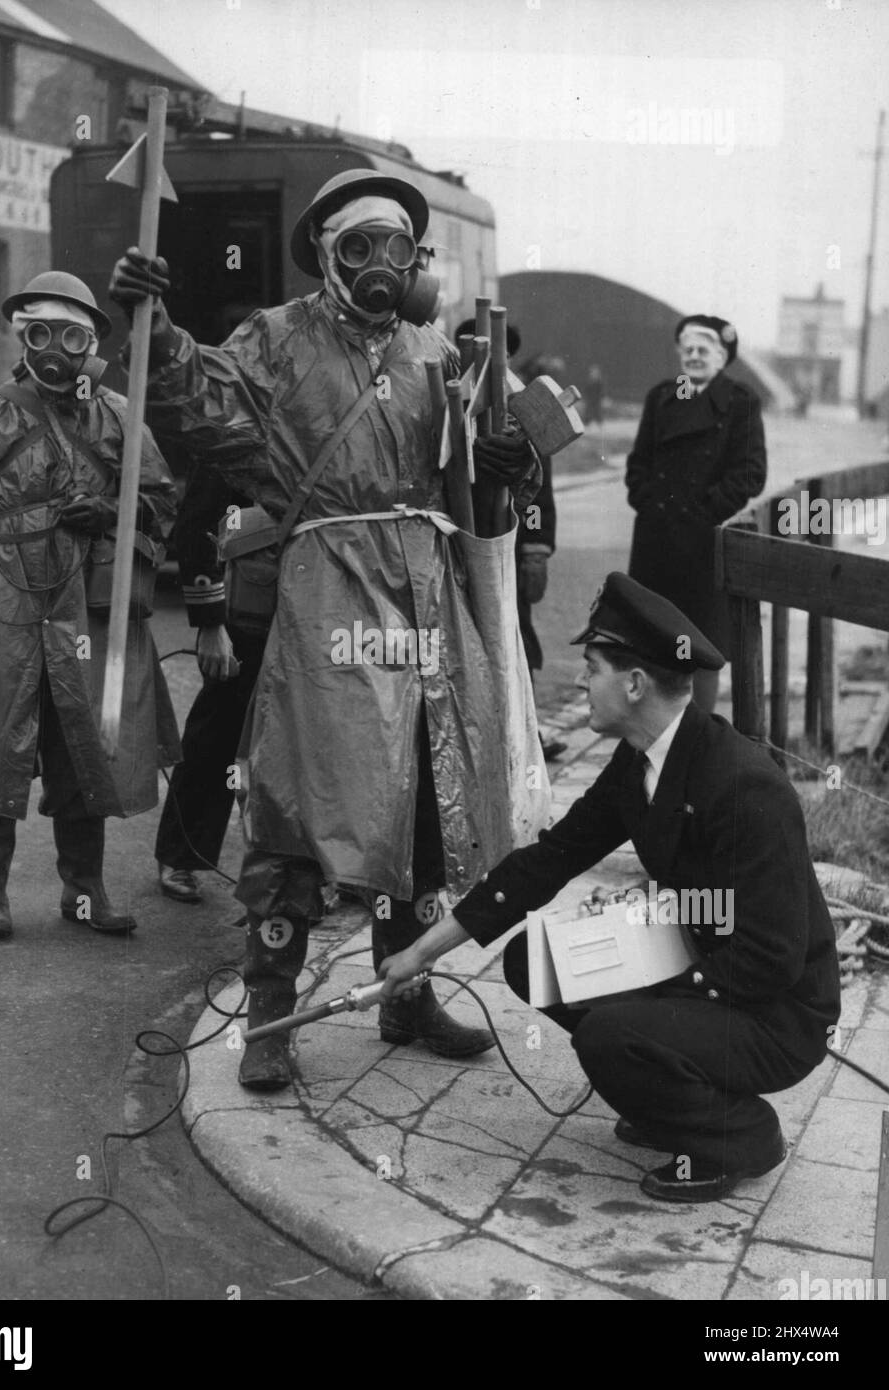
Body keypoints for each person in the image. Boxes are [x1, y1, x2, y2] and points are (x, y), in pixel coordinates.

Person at [110, 167, 543, 1089]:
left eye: (398, 247)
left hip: (426, 599)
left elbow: (474, 489)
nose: (382, 263)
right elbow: (194, 398)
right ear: (325, 255)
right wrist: (150, 321)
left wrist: (510, 464)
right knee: (301, 802)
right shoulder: (276, 340)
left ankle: (406, 991)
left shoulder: (436, 355)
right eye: (360, 246)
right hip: (328, 594)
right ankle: (270, 1013)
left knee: (427, 796)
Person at [377, 573, 840, 1204]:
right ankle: (670, 1097)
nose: (578, 682)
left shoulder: (741, 785)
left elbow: (771, 959)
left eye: (590, 667)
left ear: (634, 683)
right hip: (713, 966)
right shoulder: (640, 759)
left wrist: (642, 998)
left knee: (611, 1034)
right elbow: (550, 859)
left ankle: (742, 1136)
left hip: (776, 1011)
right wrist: (424, 951)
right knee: (536, 961)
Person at [0, 271, 181, 941]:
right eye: (40, 333)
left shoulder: (120, 416)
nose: (56, 351)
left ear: (92, 343)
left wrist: (111, 512)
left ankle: (86, 888)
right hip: (3, 599)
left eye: (72, 336)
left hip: (89, 608)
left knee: (86, 747)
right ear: (22, 338)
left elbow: (161, 502)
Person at [625, 313, 767, 713]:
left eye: (703, 349)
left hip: (703, 543)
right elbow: (638, 464)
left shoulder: (740, 402)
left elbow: (750, 474)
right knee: (653, 642)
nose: (694, 356)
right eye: (687, 349)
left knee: (701, 645)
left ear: (721, 357)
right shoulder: (663, 397)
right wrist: (650, 503)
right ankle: (653, 731)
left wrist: (705, 512)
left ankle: (698, 735)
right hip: (656, 538)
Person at [153, 464, 263, 904]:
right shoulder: (233, 435)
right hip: (246, 610)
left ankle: (304, 875)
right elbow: (197, 527)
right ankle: (184, 852)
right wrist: (211, 623)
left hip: (314, 609)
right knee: (217, 732)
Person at [455, 321, 564, 760]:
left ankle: (526, 736)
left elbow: (541, 491)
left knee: (516, 637)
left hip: (509, 548)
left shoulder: (523, 405)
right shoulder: (454, 399)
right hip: (461, 540)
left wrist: (537, 551)